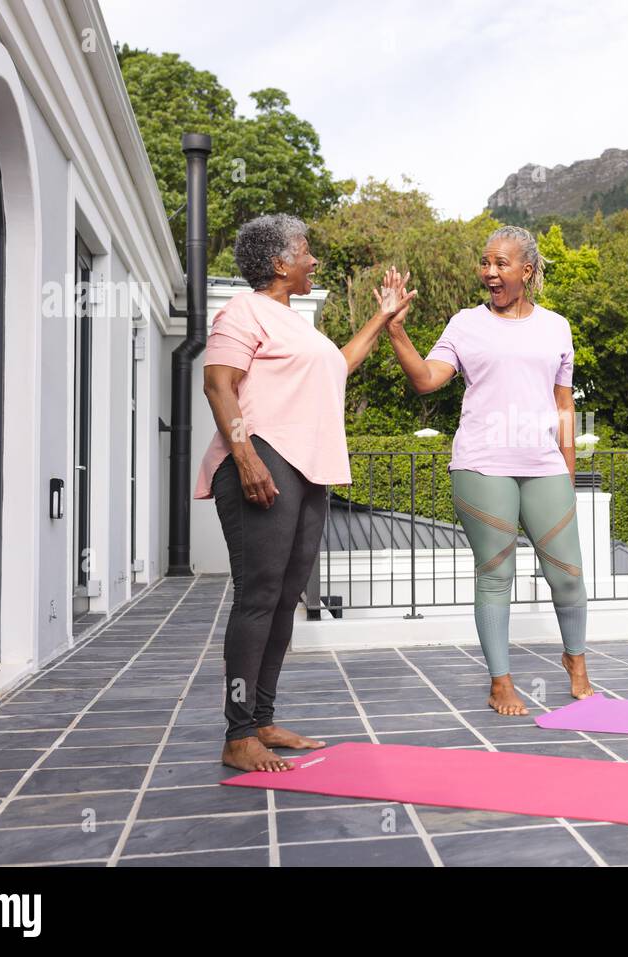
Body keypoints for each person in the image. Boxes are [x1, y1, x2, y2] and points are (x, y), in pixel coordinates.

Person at [195, 213, 415, 771]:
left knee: (287, 595)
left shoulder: (297, 326)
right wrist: (244, 456)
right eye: (306, 251)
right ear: (278, 263)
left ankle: (262, 720)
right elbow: (218, 383)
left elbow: (337, 366)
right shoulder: (242, 311)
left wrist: (383, 317)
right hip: (262, 458)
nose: (314, 260)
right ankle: (238, 732)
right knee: (259, 595)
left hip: (306, 471)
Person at [385, 225, 592, 716]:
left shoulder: (556, 327)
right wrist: (395, 329)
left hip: (543, 466)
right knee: (496, 575)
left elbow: (564, 407)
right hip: (482, 464)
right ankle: (500, 682)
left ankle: (576, 661)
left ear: (527, 269)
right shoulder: (464, 324)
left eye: (501, 263)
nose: (490, 272)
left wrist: (567, 471)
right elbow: (426, 381)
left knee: (568, 576)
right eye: (485, 262)